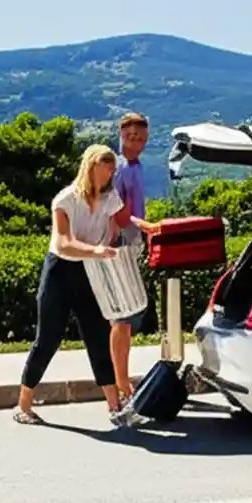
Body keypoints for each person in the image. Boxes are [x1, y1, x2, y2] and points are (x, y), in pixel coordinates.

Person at [15, 143, 130, 427]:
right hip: (60, 272)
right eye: (107, 169)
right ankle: (23, 405)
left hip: (91, 272)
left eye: (113, 170)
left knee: (97, 337)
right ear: (91, 167)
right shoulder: (65, 199)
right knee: (48, 339)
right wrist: (96, 251)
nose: (111, 175)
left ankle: (115, 407)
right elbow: (64, 243)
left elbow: (117, 226)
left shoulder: (110, 198)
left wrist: (114, 244)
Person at [108, 112, 161, 404]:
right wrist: (146, 227)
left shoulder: (135, 167)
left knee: (127, 319)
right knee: (123, 319)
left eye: (141, 138)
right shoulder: (119, 169)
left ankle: (121, 380)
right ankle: (121, 384)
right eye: (131, 137)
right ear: (121, 136)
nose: (136, 142)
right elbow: (118, 213)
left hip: (132, 246)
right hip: (119, 247)